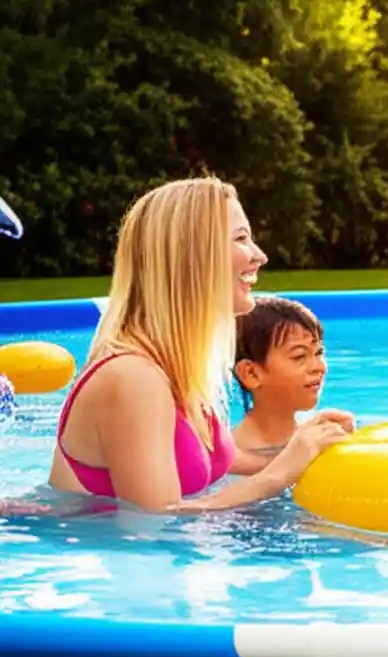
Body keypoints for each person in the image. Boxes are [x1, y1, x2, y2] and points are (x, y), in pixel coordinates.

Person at [48, 177, 353, 513]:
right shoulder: (133, 377)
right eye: (241, 238)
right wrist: (278, 475)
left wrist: (306, 444)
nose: (260, 255)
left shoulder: (173, 368)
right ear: (192, 257)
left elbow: (217, 458)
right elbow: (154, 523)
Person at [232, 296, 328, 460]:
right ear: (251, 373)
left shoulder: (314, 431)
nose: (319, 367)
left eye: (318, 353)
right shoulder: (230, 458)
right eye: (299, 356)